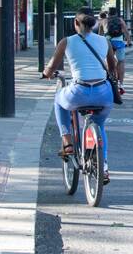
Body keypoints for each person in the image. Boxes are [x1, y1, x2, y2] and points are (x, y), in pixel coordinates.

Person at [44, 11, 117, 182]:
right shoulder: (104, 41)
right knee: (100, 125)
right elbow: (112, 67)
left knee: (59, 101)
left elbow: (50, 67)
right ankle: (104, 166)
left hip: (78, 92)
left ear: (76, 23)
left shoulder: (66, 42)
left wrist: (47, 73)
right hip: (103, 94)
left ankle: (68, 142)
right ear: (94, 24)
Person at [103, 7, 129, 88]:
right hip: (119, 43)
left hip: (108, 43)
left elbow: (100, 35)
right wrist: (128, 41)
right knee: (121, 61)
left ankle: (109, 80)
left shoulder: (104, 21)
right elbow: (126, 31)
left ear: (108, 14)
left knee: (108, 61)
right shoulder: (120, 20)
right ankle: (121, 83)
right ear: (116, 13)